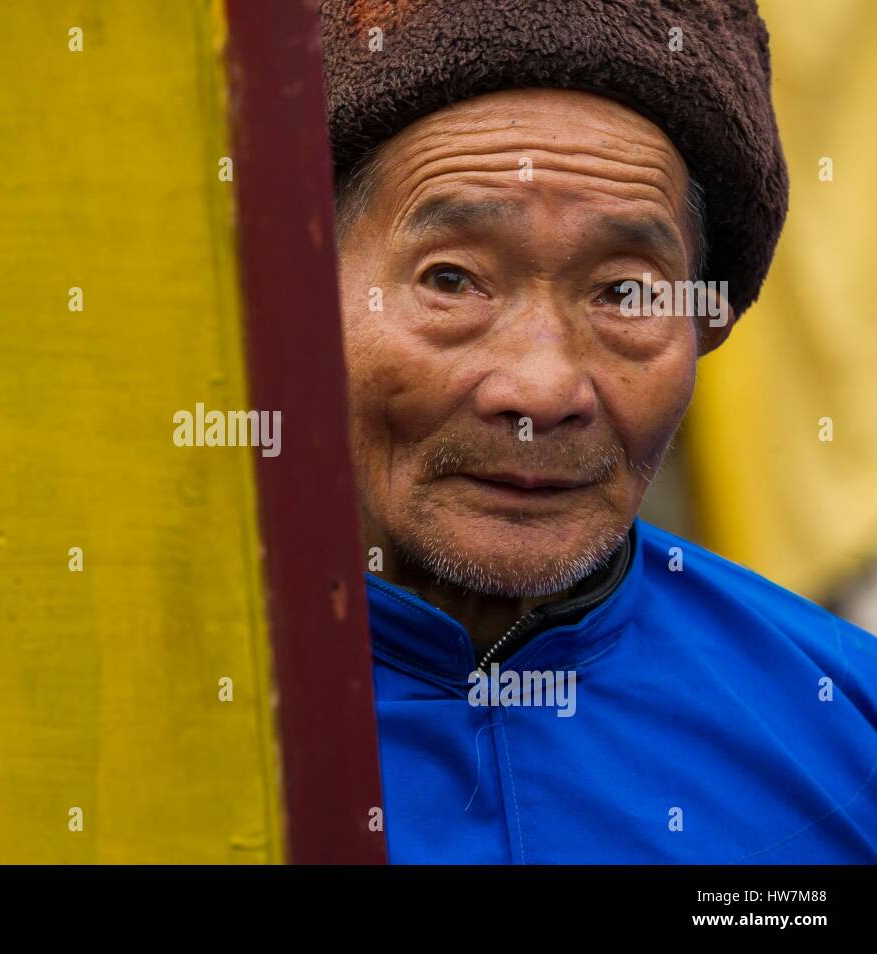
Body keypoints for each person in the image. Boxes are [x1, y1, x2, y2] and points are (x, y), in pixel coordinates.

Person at [321, 0, 877, 862]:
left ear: (708, 325)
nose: (542, 390)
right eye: (453, 279)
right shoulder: (109, 734)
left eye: (627, 293)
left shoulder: (845, 729)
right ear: (302, 287)